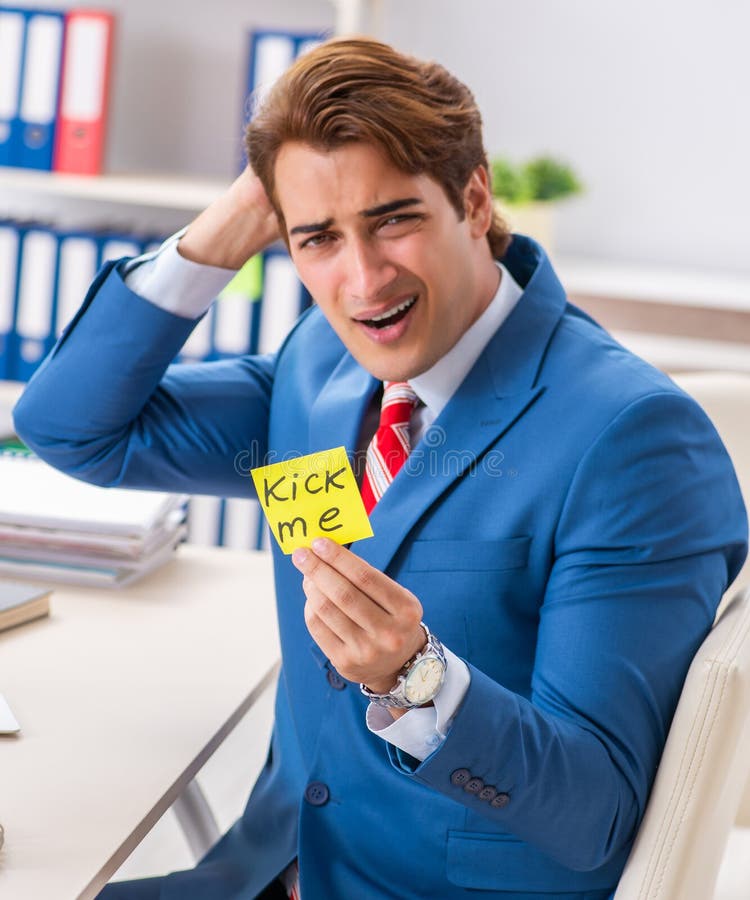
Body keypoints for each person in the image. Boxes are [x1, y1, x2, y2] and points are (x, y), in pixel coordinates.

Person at [13, 36, 748, 900]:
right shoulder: (320, 373)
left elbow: (593, 816)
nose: (362, 281)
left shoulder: (630, 443)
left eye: (393, 218)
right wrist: (242, 216)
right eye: (318, 237)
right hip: (264, 873)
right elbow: (70, 429)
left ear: (475, 199)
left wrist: (419, 678)